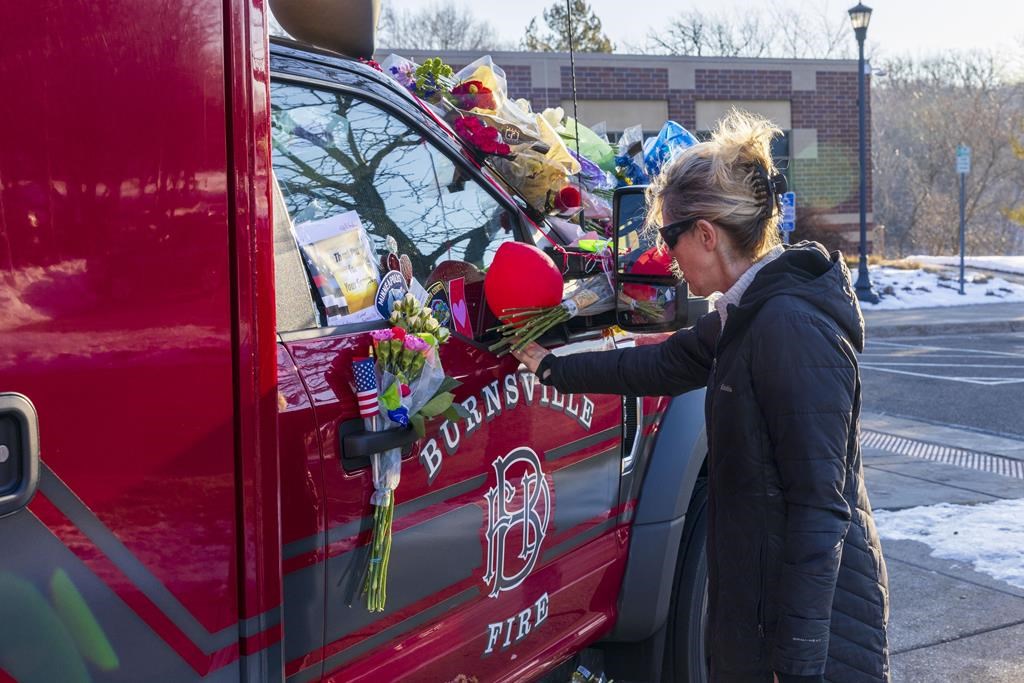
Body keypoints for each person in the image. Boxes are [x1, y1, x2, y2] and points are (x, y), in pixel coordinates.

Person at [512, 110, 890, 683]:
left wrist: (800, 662)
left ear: (706, 234)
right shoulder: (747, 312)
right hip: (762, 616)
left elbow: (821, 511)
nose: (664, 255)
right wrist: (554, 369)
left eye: (669, 236)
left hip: (813, 636)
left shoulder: (789, 328)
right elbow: (665, 363)